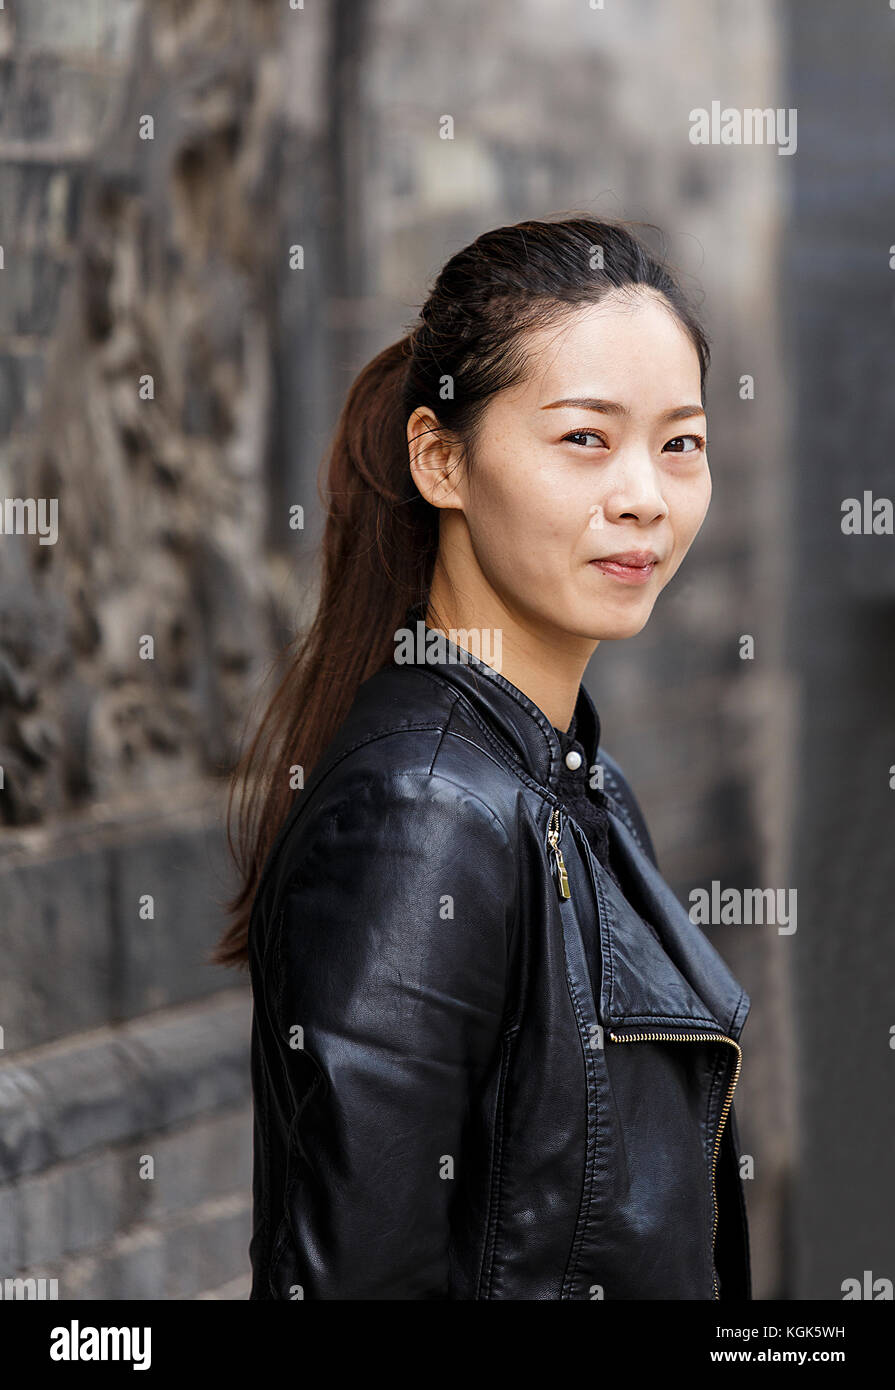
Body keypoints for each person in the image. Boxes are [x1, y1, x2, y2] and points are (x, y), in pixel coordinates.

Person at [214, 214, 752, 1300]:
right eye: (584, 439)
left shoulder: (565, 782)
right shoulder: (423, 812)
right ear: (440, 458)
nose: (644, 494)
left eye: (680, 441)